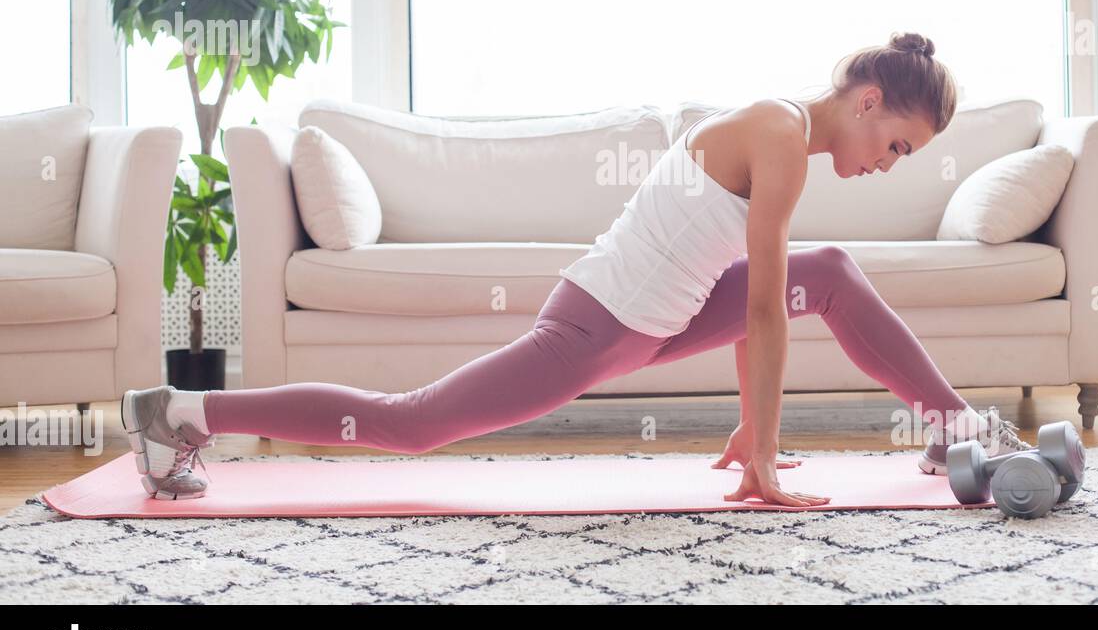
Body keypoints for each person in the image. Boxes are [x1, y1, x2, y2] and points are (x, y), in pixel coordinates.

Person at [122, 31, 1030, 503]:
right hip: (597, 327)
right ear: (868, 101)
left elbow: (766, 291)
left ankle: (953, 426)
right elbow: (761, 309)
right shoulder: (780, 138)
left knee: (825, 269)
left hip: (660, 319)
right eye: (898, 144)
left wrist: (757, 429)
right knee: (409, 423)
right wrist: (762, 451)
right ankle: (181, 413)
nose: (890, 164)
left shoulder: (784, 132)